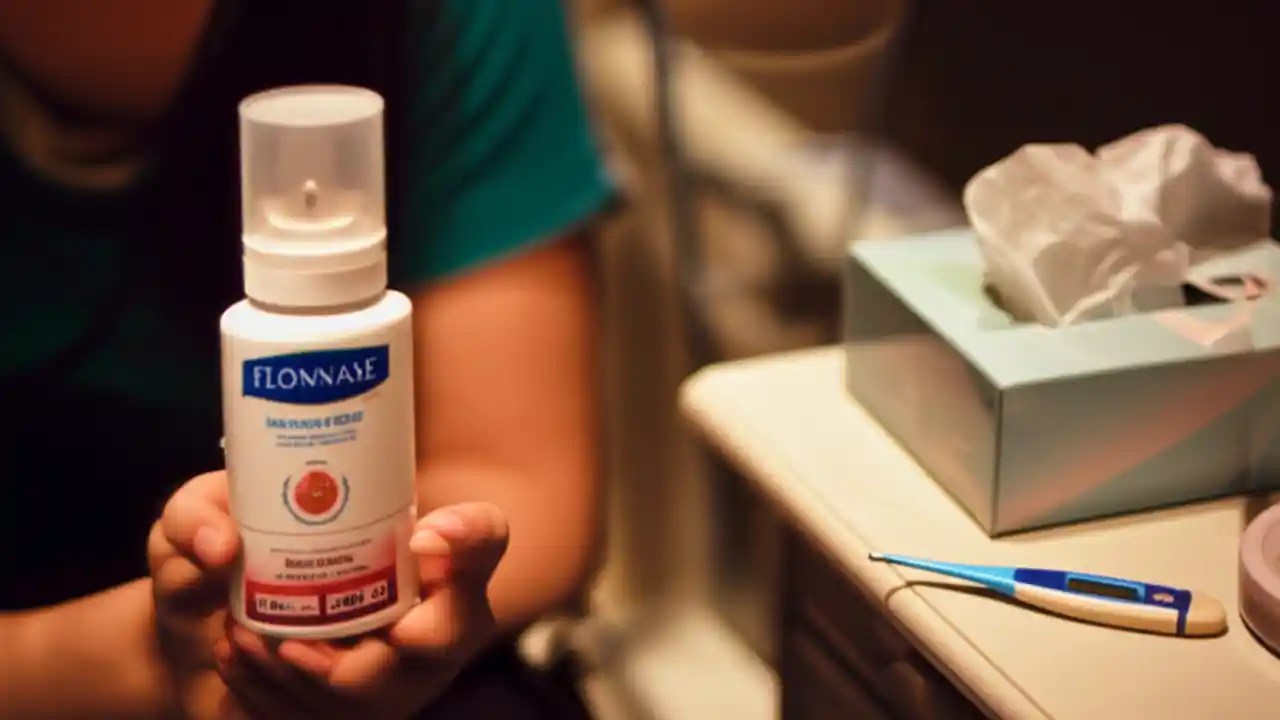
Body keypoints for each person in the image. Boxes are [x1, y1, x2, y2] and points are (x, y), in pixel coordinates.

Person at [0, 1, 611, 717]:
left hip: (361, 636)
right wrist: (149, 659)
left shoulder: (462, 17)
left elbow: (519, 481)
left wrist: (389, 618)